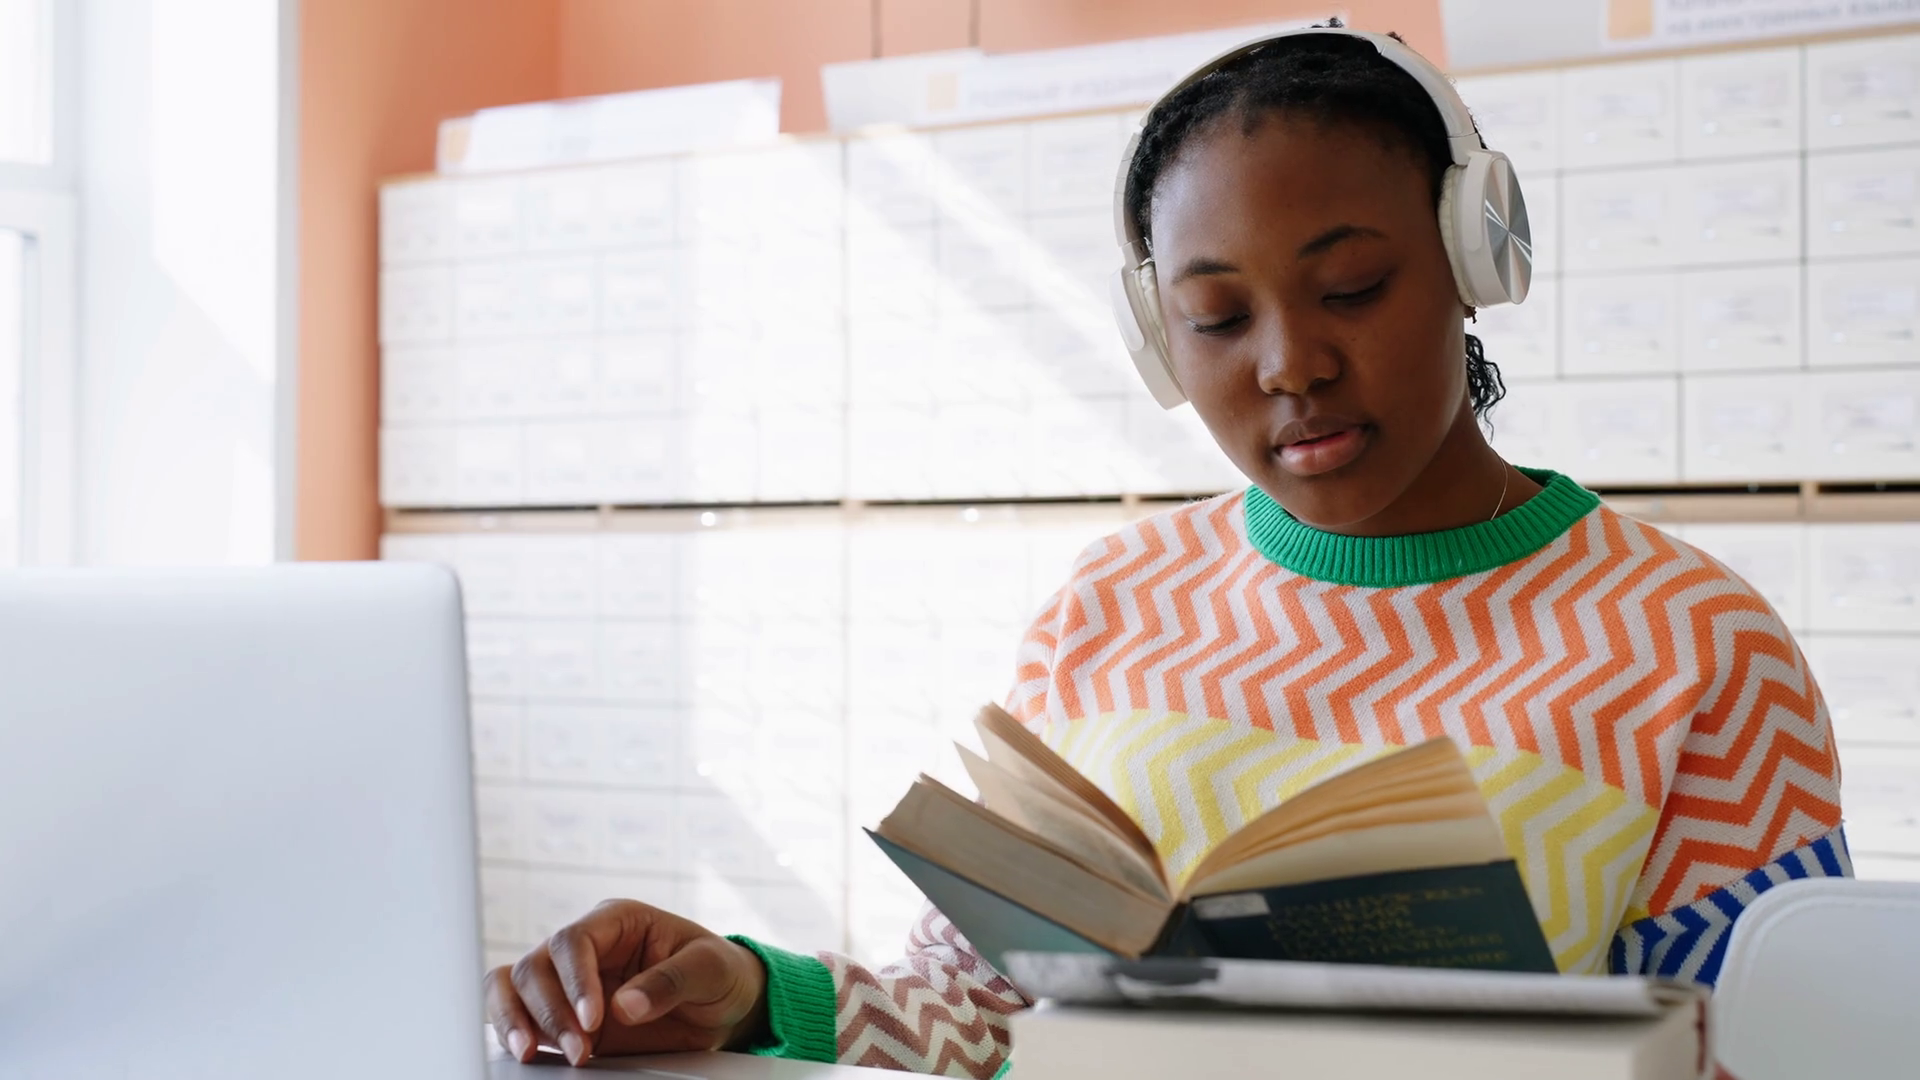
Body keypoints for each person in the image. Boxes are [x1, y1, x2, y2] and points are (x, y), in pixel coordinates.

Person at [484, 24, 1848, 1079]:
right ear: (1159, 340)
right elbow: (978, 1016)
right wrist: (744, 988)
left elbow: (1783, 1056)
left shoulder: (1690, 640)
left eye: (1353, 288)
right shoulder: (1117, 601)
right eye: (1217, 318)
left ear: (1472, 258)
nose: (1291, 364)